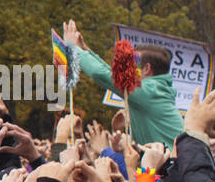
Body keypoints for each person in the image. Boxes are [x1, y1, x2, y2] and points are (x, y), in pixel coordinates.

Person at [65, 19, 183, 147]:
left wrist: (73, 49)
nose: (127, 67)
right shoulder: (153, 89)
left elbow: (101, 74)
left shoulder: (150, 91)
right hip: (154, 165)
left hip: (168, 165)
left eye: (132, 62)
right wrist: (85, 50)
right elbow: (110, 73)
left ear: (147, 69)